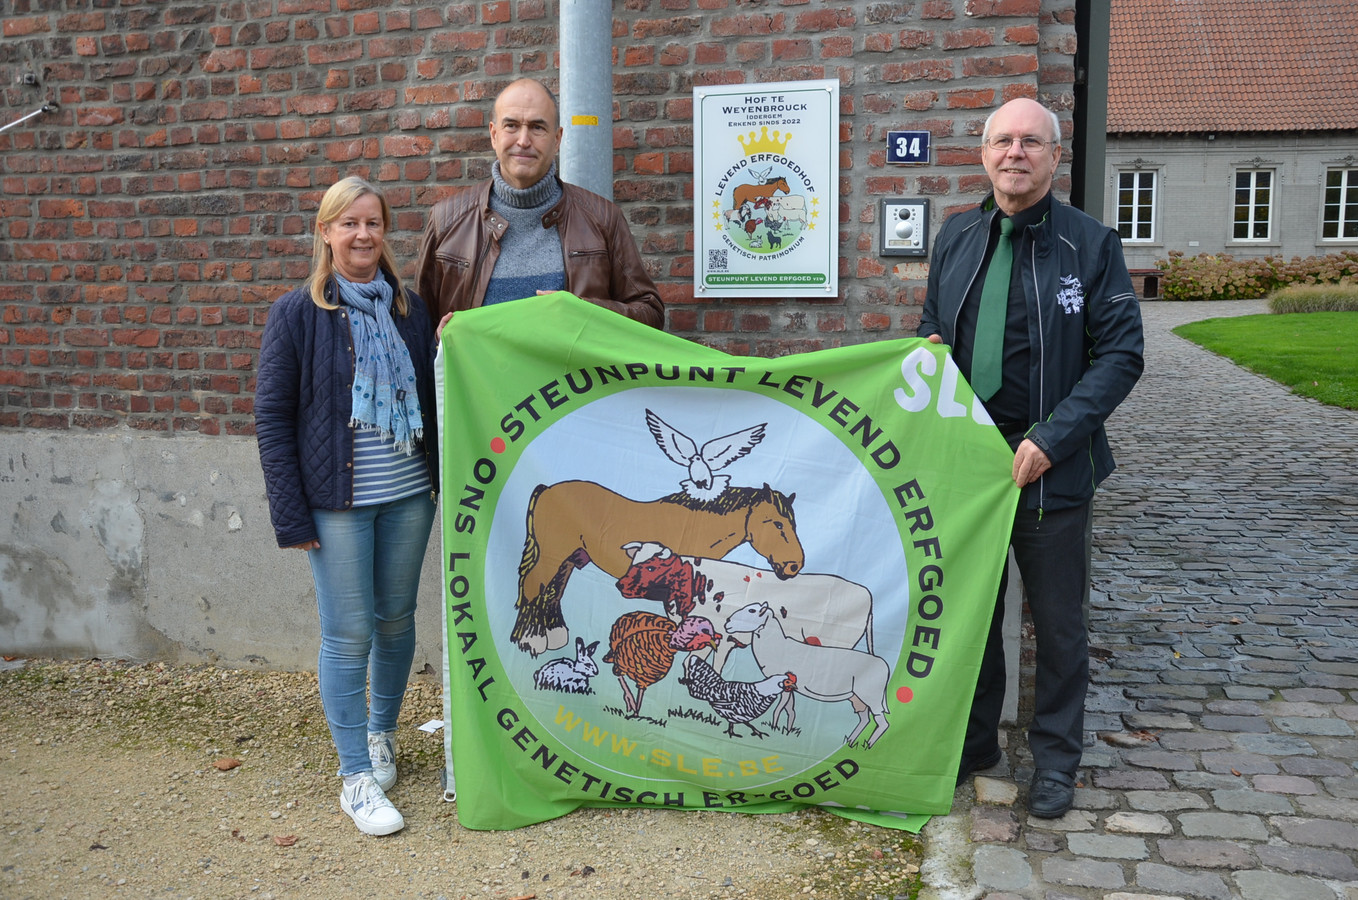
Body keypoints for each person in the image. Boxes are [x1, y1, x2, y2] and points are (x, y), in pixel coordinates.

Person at [918, 98, 1144, 818]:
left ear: (1053, 156)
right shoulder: (955, 236)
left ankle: (1055, 761)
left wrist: (1052, 437)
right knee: (974, 616)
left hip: (1052, 466)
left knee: (1058, 624)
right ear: (984, 154)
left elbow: (1121, 356)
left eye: (1030, 142)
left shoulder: (1091, 245)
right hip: (971, 468)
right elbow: (933, 328)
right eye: (1002, 141)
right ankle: (977, 742)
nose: (1015, 153)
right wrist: (924, 357)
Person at [255, 176, 439, 836]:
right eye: (349, 223)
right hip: (337, 504)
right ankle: (355, 776)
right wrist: (292, 514)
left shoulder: (409, 312)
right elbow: (273, 419)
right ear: (325, 232)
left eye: (374, 223)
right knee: (348, 632)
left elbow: (437, 392)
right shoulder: (297, 314)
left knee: (395, 622)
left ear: (384, 231)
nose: (363, 235)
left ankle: (381, 735)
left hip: (408, 496)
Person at [415, 77, 664, 330]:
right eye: (511, 126)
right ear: (493, 135)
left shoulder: (603, 219)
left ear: (557, 139)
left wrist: (583, 312)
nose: (523, 140)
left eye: (537, 128)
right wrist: (438, 341)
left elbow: (650, 314)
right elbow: (418, 326)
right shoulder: (446, 221)